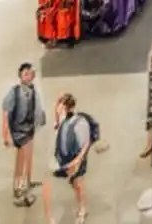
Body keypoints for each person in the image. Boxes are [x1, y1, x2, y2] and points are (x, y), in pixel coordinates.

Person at [52, 93, 102, 224]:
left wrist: (78, 161)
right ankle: (81, 206)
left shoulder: (80, 123)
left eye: (61, 107)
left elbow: (85, 144)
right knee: (74, 183)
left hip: (76, 158)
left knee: (78, 184)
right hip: (66, 158)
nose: (58, 110)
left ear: (68, 108)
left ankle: (82, 210)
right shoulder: (64, 119)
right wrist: (57, 106)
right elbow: (56, 122)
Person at [1, 62, 45, 206]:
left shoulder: (32, 90)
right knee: (24, 159)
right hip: (20, 130)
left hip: (29, 128)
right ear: (20, 76)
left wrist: (40, 119)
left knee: (25, 159)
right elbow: (6, 113)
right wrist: (5, 134)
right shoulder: (15, 92)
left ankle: (22, 184)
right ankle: (21, 188)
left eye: (31, 74)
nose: (29, 76)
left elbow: (36, 107)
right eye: (26, 74)